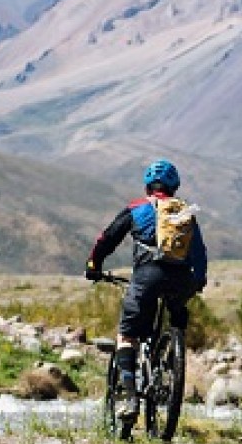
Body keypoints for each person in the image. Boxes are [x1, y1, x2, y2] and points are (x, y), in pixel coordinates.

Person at [85, 159, 209, 421]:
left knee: (127, 336)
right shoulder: (185, 213)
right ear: (174, 186)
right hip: (181, 280)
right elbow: (199, 251)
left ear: (147, 185)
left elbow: (106, 239)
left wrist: (94, 265)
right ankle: (171, 353)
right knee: (176, 314)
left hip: (147, 277)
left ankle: (130, 398)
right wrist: (198, 281)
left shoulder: (137, 208)